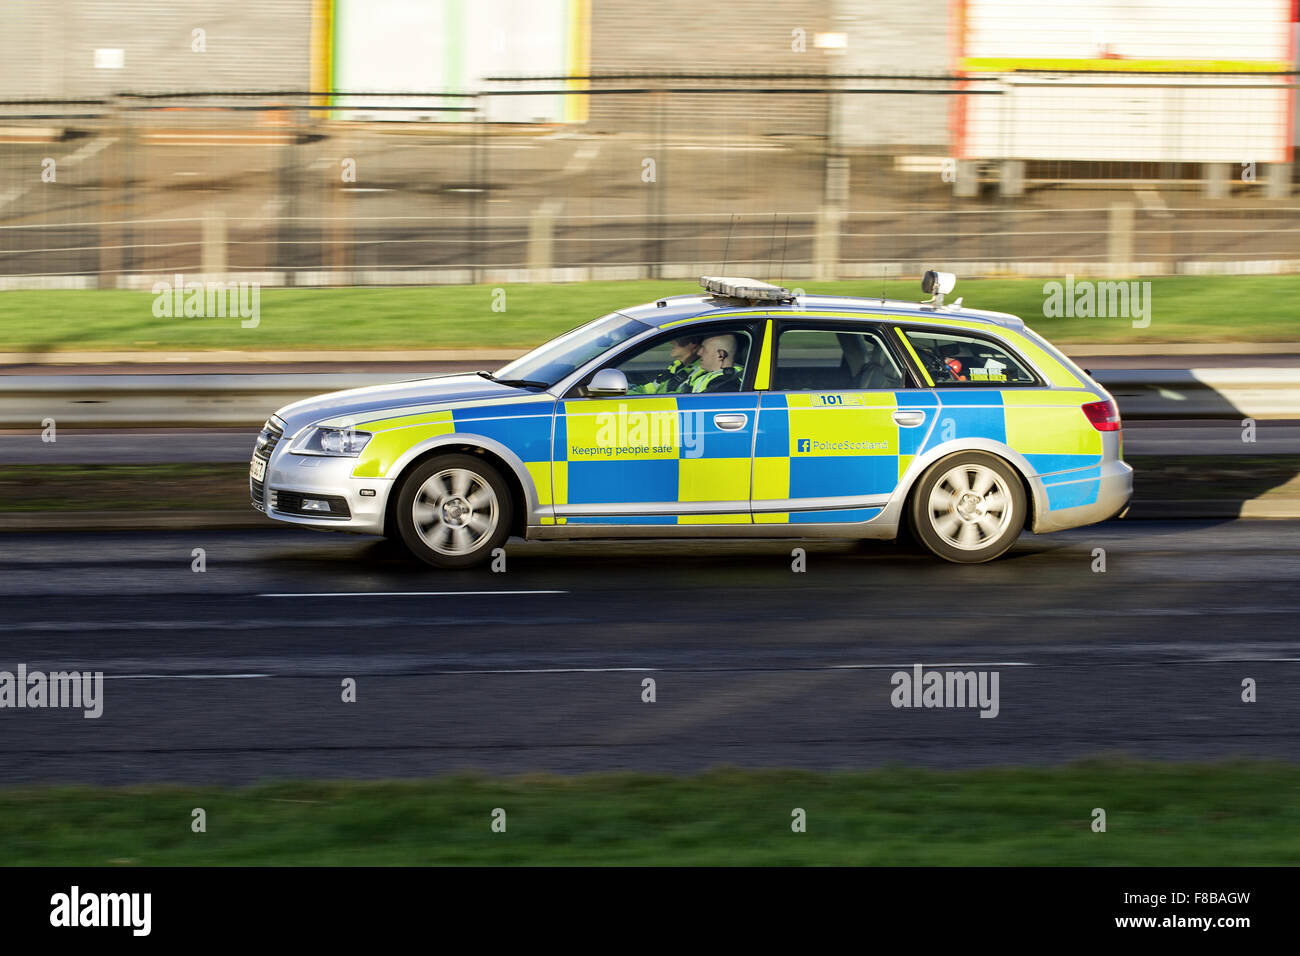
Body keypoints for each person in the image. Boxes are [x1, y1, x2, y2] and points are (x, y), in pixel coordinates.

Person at [629, 336, 702, 394]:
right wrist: (625, 390)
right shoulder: (677, 365)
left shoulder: (700, 372)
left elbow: (670, 400)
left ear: (693, 344)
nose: (671, 342)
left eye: (678, 339)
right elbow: (652, 389)